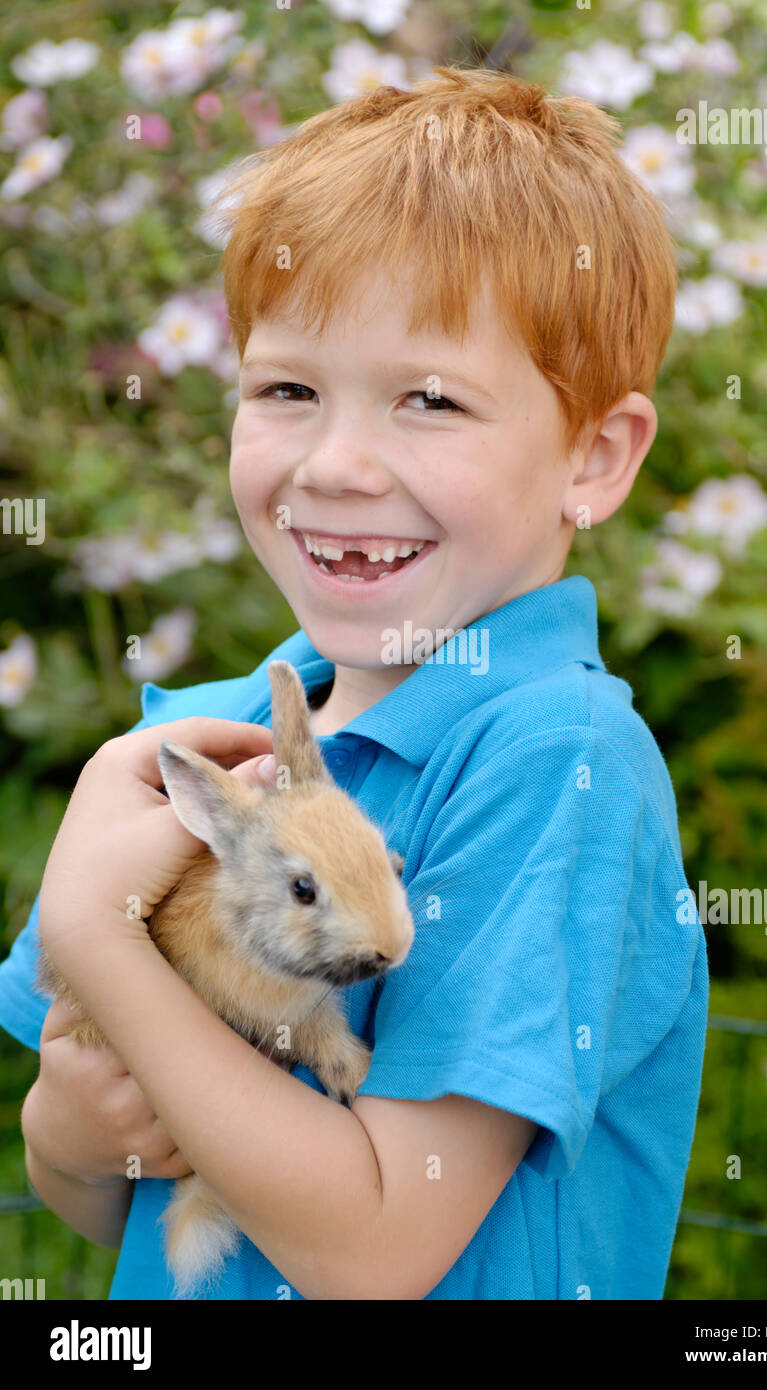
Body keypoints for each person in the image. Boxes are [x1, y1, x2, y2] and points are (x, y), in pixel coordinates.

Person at [0, 64, 708, 1300]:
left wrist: (98, 940)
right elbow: (92, 1194)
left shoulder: (555, 757)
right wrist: (71, 1129)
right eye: (287, 389)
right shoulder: (207, 738)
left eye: (429, 399)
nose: (335, 464)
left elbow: (376, 1249)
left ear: (593, 457)